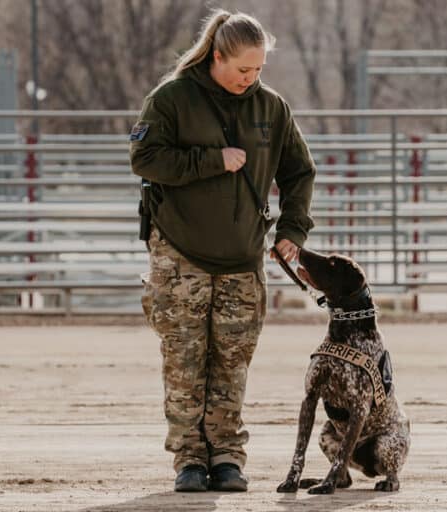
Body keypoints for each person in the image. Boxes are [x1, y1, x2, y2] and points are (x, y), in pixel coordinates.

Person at [129, 9, 315, 493]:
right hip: (181, 254)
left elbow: (299, 171)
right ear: (217, 56)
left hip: (242, 257)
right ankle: (189, 459)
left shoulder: (270, 107)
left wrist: (293, 227)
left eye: (258, 70)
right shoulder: (171, 99)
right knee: (185, 362)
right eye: (241, 70)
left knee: (232, 364)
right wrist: (212, 161)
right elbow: (144, 158)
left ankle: (228, 457)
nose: (249, 79)